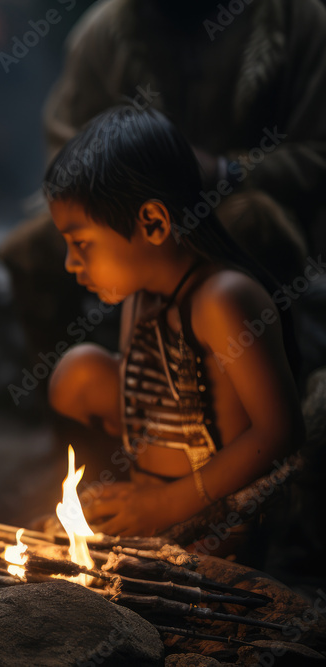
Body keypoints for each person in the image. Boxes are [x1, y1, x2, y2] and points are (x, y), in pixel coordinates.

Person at [0, 0, 326, 395]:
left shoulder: (296, 21)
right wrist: (123, 184)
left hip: (239, 199)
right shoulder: (106, 30)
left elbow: (316, 152)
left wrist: (229, 171)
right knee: (30, 250)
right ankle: (79, 432)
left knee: (252, 224)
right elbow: (66, 144)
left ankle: (249, 401)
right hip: (127, 206)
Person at [46, 106, 305, 540]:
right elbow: (142, 397)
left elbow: (281, 431)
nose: (70, 263)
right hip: (156, 499)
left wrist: (167, 505)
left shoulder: (221, 299)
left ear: (152, 222)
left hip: (217, 516)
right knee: (78, 373)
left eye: (82, 244)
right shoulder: (141, 295)